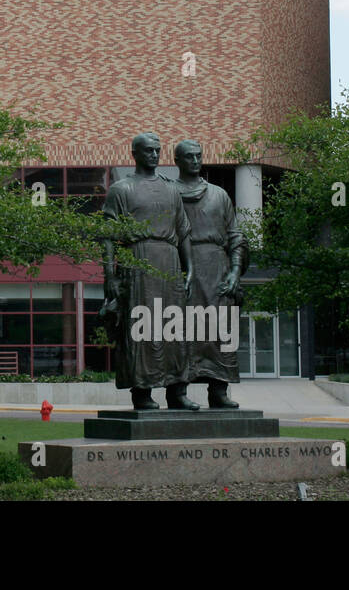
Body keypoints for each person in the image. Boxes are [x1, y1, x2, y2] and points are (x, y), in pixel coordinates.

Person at [101, 132, 198, 410]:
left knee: (174, 328)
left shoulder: (171, 189)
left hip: (169, 261)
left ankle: (177, 391)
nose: (154, 155)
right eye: (148, 151)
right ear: (135, 153)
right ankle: (141, 392)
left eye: (157, 150)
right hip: (138, 260)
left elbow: (183, 231)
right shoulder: (122, 189)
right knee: (141, 328)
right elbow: (107, 236)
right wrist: (110, 276)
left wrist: (189, 269)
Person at [173, 139, 246, 408]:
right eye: (188, 156)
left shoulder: (219, 195)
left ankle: (219, 390)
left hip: (217, 267)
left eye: (198, 156)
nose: (195, 160)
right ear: (177, 161)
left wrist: (235, 271)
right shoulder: (170, 194)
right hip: (183, 266)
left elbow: (235, 236)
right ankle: (177, 392)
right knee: (180, 331)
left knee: (220, 330)